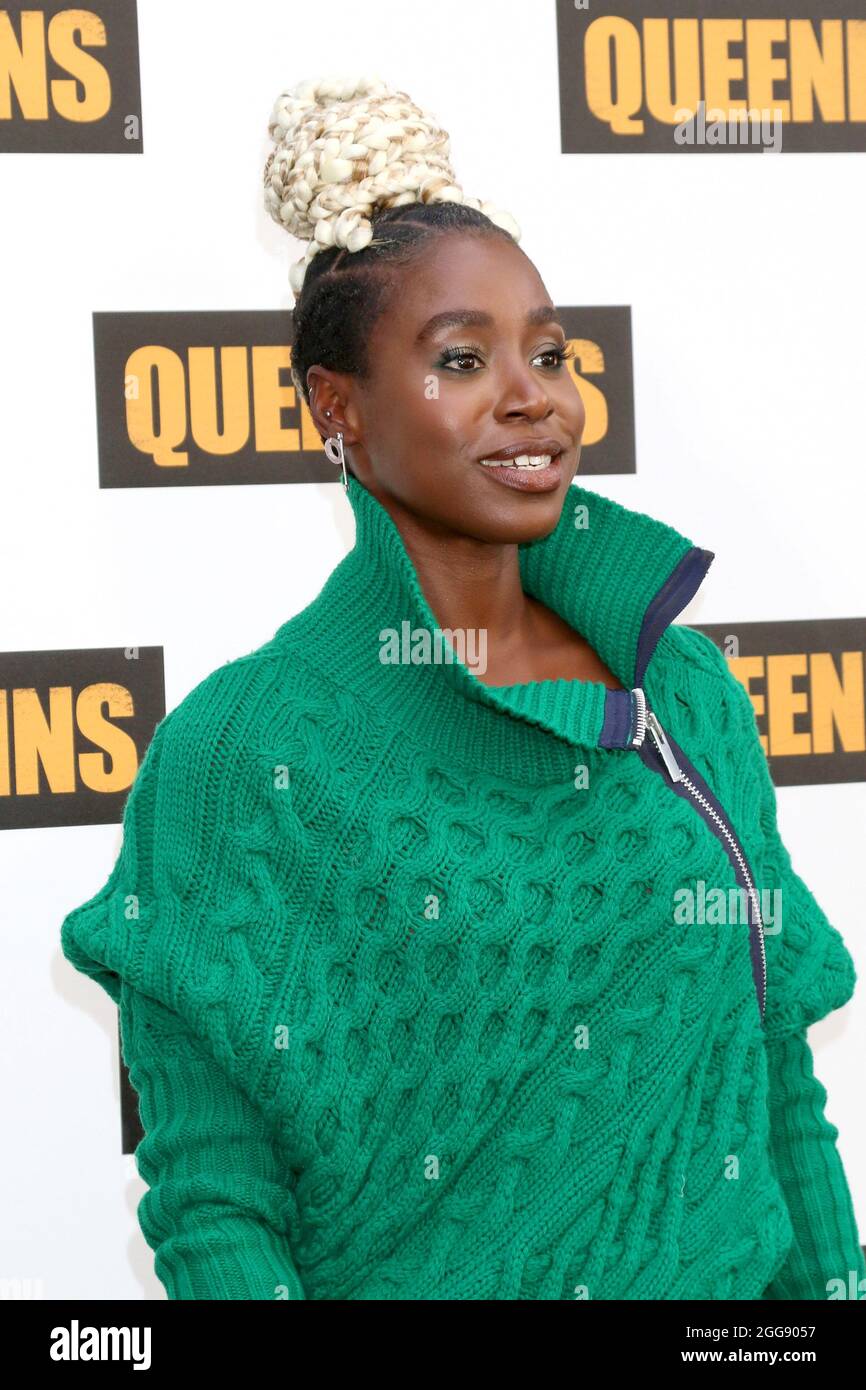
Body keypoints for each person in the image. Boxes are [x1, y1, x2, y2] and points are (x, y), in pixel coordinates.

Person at [61, 73, 863, 1301]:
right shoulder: (240, 752)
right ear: (336, 407)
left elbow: (772, 1083)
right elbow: (215, 1199)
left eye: (546, 351)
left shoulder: (682, 693)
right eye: (459, 359)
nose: (529, 393)